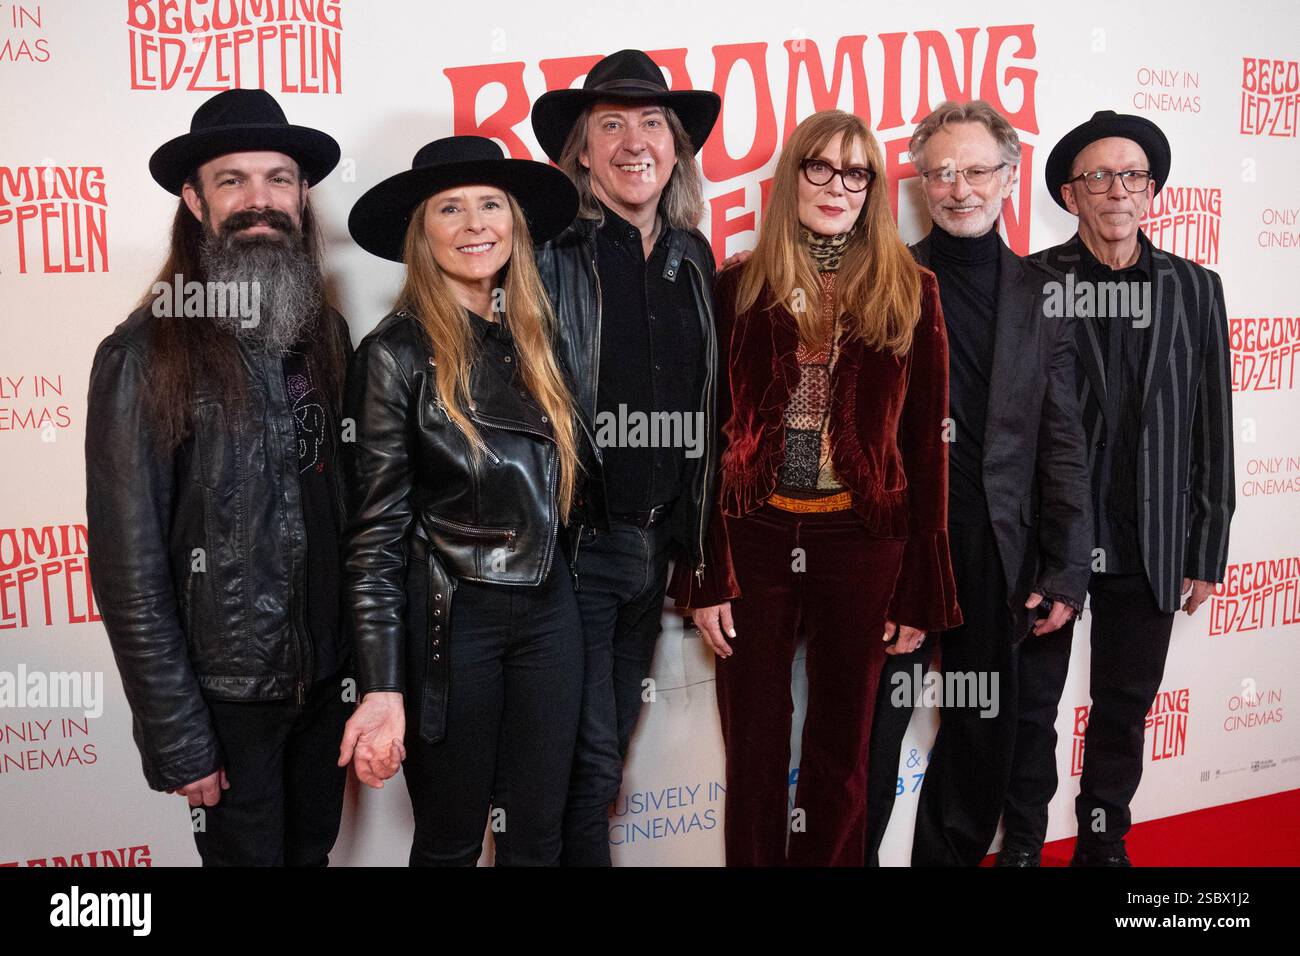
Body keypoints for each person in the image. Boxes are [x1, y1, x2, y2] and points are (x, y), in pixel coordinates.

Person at [678, 108, 962, 866]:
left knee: (843, 750)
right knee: (756, 746)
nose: (839, 187)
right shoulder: (735, 285)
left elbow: (927, 450)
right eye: (822, 168)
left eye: (858, 173)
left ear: (872, 188)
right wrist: (705, 573)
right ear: (792, 175)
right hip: (755, 540)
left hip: (864, 544)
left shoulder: (914, 290)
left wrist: (919, 593)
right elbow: (703, 443)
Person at [85, 89, 353, 866]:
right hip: (227, 702)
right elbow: (127, 567)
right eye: (232, 180)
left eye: (278, 179)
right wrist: (177, 731)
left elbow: (344, 514)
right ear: (194, 200)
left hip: (325, 686)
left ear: (302, 198)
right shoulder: (143, 354)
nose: (258, 200)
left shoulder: (325, 333)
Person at [339, 135, 601, 866]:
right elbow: (374, 538)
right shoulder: (394, 353)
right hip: (452, 629)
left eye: (491, 204)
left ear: (515, 223)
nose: (474, 224)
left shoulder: (538, 341)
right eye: (449, 209)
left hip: (551, 618)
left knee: (537, 839)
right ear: (422, 236)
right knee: (452, 842)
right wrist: (383, 684)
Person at [862, 100, 1093, 867]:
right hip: (894, 550)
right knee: (868, 730)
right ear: (922, 182)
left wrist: (1066, 564)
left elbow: (1062, 441)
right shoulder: (882, 277)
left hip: (998, 554)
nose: (961, 188)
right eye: (942, 172)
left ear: (1010, 177)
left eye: (978, 170)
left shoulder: (1042, 294)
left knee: (980, 732)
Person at [1012, 110, 1235, 866]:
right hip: (1052, 535)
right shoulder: (1033, 282)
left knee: (1124, 704)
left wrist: (1205, 544)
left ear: (1153, 192)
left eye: (1132, 175)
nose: (1116, 190)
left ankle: (1104, 839)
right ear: (1071, 195)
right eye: (1098, 176)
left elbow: (1214, 427)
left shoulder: (1197, 290)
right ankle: (1022, 840)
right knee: (1031, 704)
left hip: (1154, 533)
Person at [530, 48, 722, 865]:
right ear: (580, 149)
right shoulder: (546, 252)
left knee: (599, 762)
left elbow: (713, 417)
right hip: (574, 552)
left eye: (652, 123)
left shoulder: (693, 258)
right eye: (610, 123)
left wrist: (699, 552)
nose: (633, 141)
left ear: (676, 148)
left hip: (653, 556)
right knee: (579, 762)